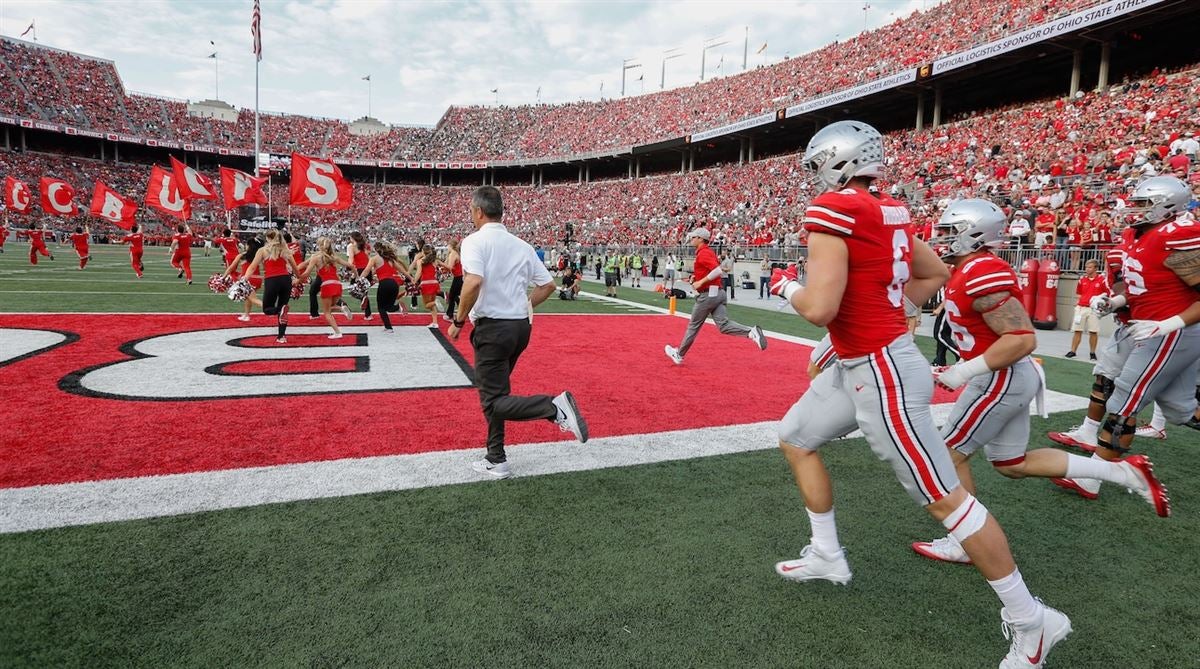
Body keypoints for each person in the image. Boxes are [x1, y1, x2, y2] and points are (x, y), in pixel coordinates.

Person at [767, 121, 1070, 668]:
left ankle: (1032, 621)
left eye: (816, 166)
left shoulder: (836, 210)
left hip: (879, 369)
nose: (813, 179)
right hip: (865, 358)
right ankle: (828, 554)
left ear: (836, 161)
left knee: (944, 498)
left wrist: (785, 283)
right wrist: (894, 314)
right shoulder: (891, 209)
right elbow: (929, 272)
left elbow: (818, 308)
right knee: (795, 437)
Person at [910, 200, 1169, 565]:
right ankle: (1121, 471)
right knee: (1011, 463)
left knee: (947, 455)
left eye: (951, 231)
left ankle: (965, 541)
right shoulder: (969, 268)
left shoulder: (982, 269)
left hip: (1000, 377)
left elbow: (1021, 339)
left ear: (975, 232)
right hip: (1006, 375)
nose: (943, 238)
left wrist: (963, 371)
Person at [1051, 176, 1200, 501]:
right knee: (1179, 411)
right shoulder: (1136, 234)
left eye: (1145, 203)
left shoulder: (1180, 234)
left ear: (1168, 205)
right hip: (1147, 325)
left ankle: (1092, 478)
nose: (1135, 209)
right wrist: (1115, 302)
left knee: (1125, 400)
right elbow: (1145, 287)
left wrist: (1167, 324)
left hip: (1172, 331)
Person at [447, 186, 588, 480]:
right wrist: (523, 304)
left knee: (493, 401)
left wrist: (458, 322)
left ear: (477, 211)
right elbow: (548, 285)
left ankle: (553, 407)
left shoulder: (473, 241)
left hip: (494, 328)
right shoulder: (522, 245)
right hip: (520, 327)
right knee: (497, 391)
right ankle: (496, 457)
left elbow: (472, 282)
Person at [664, 228, 766, 365]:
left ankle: (679, 354)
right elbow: (712, 269)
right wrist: (697, 277)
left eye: (694, 237)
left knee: (693, 326)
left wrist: (700, 281)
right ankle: (751, 332)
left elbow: (717, 271)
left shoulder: (703, 253)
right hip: (719, 293)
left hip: (708, 295)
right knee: (723, 326)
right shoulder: (708, 252)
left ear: (701, 239)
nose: (692, 239)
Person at [240, 229, 302, 344]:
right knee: (283, 308)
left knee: (267, 309)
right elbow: (295, 268)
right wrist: (299, 279)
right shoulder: (285, 250)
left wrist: (244, 279)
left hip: (272, 280)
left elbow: (252, 267)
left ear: (267, 238)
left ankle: (280, 311)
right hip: (286, 280)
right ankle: (281, 336)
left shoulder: (263, 250)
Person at [297, 237, 357, 339]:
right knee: (330, 307)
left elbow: (306, 273)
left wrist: (297, 281)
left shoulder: (315, 257)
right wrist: (356, 276)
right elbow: (351, 266)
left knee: (327, 312)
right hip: (337, 284)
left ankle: (338, 332)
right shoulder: (334, 257)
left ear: (320, 246)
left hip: (326, 285)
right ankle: (341, 308)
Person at [1067, 259, 1106, 359]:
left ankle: (1092, 353)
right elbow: (1079, 293)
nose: (1087, 269)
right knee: (1077, 330)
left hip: (1094, 310)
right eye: (1086, 267)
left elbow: (1106, 295)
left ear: (1096, 268)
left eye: (1090, 267)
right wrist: (1077, 306)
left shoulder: (1102, 280)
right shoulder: (1082, 280)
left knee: (1093, 331)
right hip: (1081, 308)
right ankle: (1073, 351)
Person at [409, 244, 441, 328]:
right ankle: (435, 323)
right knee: (431, 305)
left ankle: (436, 302)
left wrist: (414, 282)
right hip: (435, 283)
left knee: (427, 305)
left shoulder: (420, 261)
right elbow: (447, 267)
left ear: (423, 252)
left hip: (426, 283)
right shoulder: (435, 260)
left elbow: (419, 273)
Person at [348, 231, 373, 320]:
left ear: (353, 238)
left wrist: (348, 268)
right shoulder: (364, 246)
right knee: (364, 292)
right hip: (368, 270)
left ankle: (363, 299)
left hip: (359, 270)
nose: (349, 239)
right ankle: (368, 315)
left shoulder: (352, 247)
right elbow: (369, 259)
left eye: (350, 238)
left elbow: (351, 259)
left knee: (351, 289)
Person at [439, 239, 464, 322]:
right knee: (455, 296)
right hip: (459, 277)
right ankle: (460, 312)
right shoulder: (454, 253)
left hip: (459, 278)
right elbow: (452, 268)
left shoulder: (453, 254)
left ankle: (450, 315)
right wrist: (443, 268)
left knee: (452, 296)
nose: (447, 247)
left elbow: (449, 267)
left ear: (450, 246)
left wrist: (440, 263)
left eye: (448, 245)